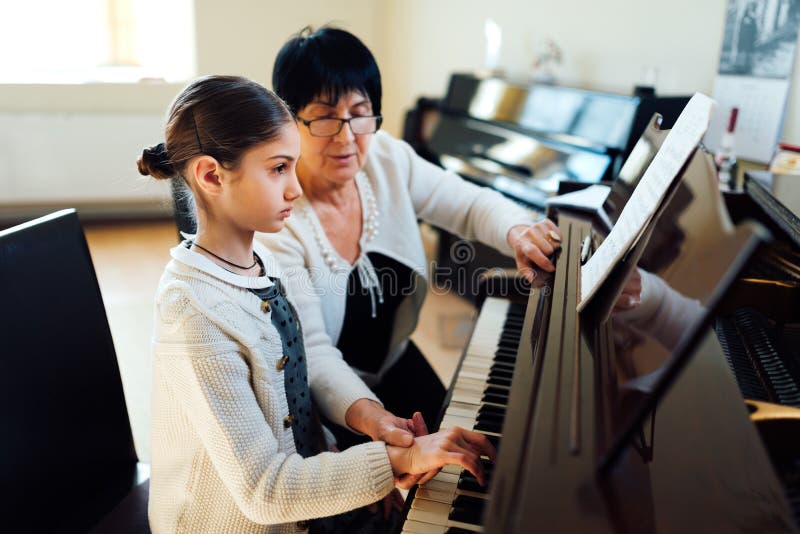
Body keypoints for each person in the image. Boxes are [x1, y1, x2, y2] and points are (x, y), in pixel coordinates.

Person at [138, 75, 495, 534]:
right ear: (211, 175)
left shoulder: (261, 261)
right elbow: (264, 490)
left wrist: (366, 458)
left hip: (306, 499)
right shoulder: (193, 313)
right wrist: (392, 461)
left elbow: (298, 403)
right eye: (278, 168)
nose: (296, 188)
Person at [259, 27, 564, 448]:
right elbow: (314, 355)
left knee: (474, 447)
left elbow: (469, 204)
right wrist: (378, 426)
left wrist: (517, 230)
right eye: (326, 116)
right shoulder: (278, 220)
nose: (348, 136)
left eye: (361, 112)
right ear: (289, 120)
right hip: (327, 401)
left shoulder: (386, 158)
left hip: (395, 360)